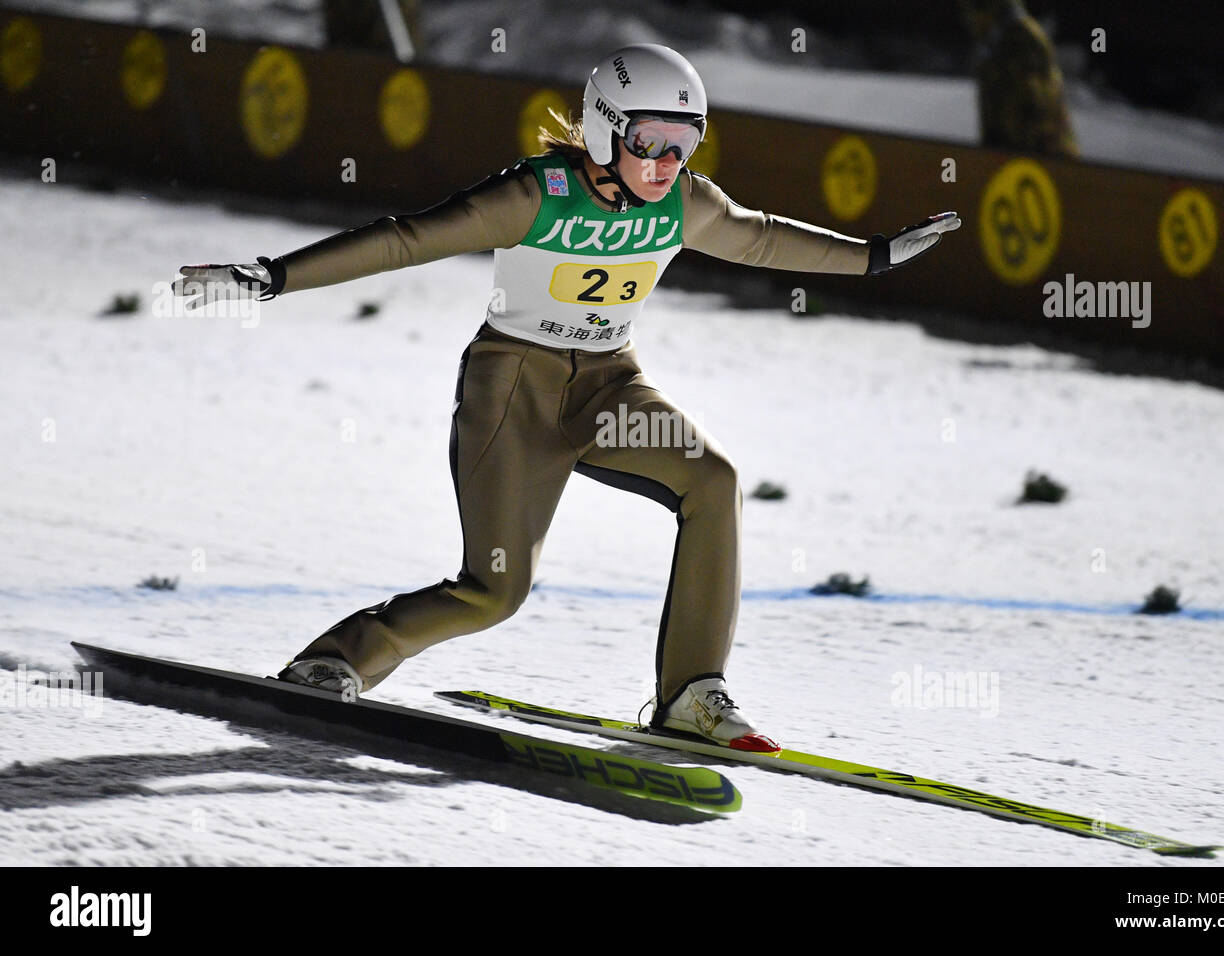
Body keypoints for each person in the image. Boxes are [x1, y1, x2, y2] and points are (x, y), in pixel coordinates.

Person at [174, 43, 960, 752]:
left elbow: (760, 237)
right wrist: (274, 276)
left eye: (685, 145)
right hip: (514, 385)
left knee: (713, 482)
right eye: (650, 141)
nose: (665, 164)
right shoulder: (536, 194)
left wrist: (876, 258)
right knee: (493, 592)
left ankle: (691, 693)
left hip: (611, 384)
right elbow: (408, 239)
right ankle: (333, 661)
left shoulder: (684, 203)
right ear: (601, 128)